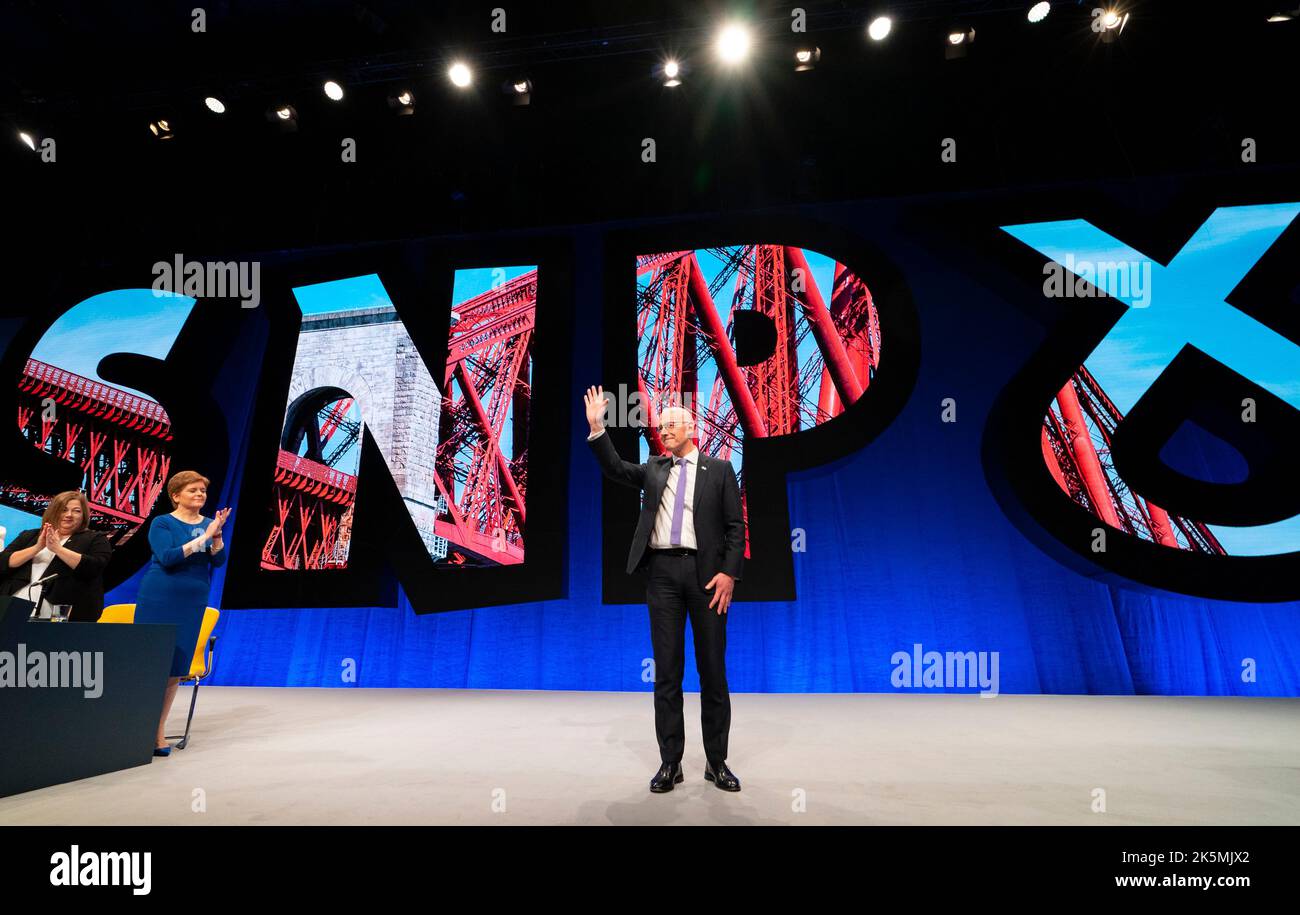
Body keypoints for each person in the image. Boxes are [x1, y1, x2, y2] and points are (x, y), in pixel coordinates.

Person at [583, 385, 746, 793]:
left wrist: (729, 573)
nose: (663, 431)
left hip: (706, 577)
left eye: (671, 425)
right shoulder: (655, 468)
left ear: (692, 429)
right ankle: (670, 763)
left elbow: (735, 527)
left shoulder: (720, 470)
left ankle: (717, 762)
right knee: (667, 675)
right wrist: (597, 428)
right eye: (661, 426)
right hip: (662, 577)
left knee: (713, 672)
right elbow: (616, 469)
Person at [134, 470, 230, 757]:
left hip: (192, 599)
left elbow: (219, 560)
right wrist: (204, 537)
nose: (200, 494)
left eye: (202, 490)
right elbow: (168, 557)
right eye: (193, 490)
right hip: (160, 595)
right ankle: (135, 726)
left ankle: (157, 731)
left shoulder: (210, 524)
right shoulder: (162, 522)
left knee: (175, 669)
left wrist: (217, 537)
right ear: (176, 495)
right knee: (148, 664)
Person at [0, 491, 113, 621]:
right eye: (63, 510)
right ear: (54, 512)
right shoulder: (30, 535)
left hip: (60, 614)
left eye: (76, 511)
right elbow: (3, 562)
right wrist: (37, 548)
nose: (69, 515)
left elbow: (93, 567)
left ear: (84, 516)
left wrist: (58, 549)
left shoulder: (96, 539)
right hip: (14, 606)